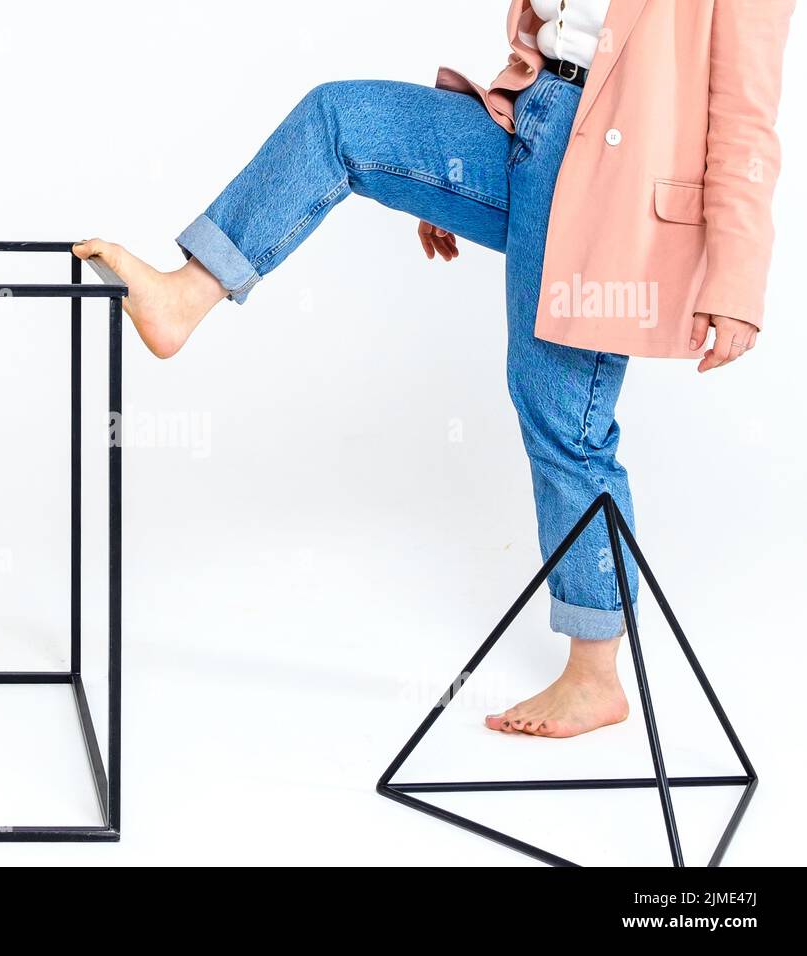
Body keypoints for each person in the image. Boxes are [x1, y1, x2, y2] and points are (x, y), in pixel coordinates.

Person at [73, 0, 795, 737]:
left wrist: (736, 280)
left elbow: (744, 115)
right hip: (529, 124)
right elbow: (556, 34)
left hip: (618, 173)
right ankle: (185, 295)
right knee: (340, 121)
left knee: (562, 415)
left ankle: (595, 675)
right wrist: (443, 181)